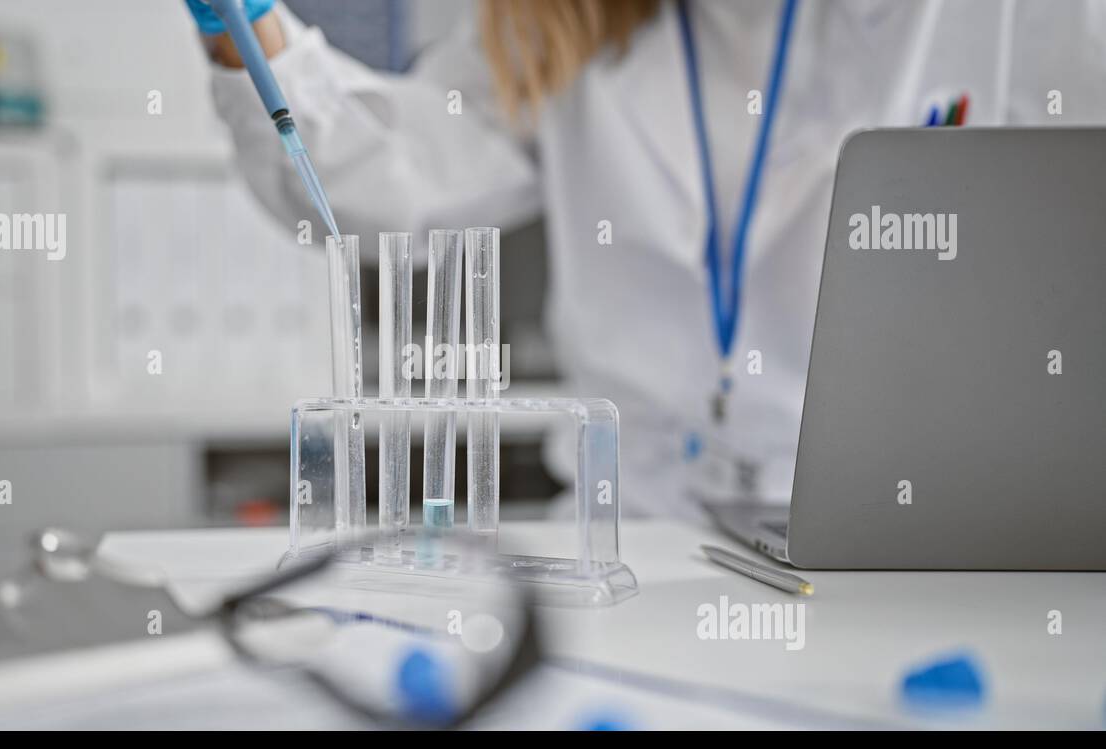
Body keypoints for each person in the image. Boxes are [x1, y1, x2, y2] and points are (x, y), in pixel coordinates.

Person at [186, 0, 1106, 520]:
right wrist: (244, 23)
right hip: (629, 531)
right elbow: (366, 178)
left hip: (910, 535)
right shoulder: (566, 19)